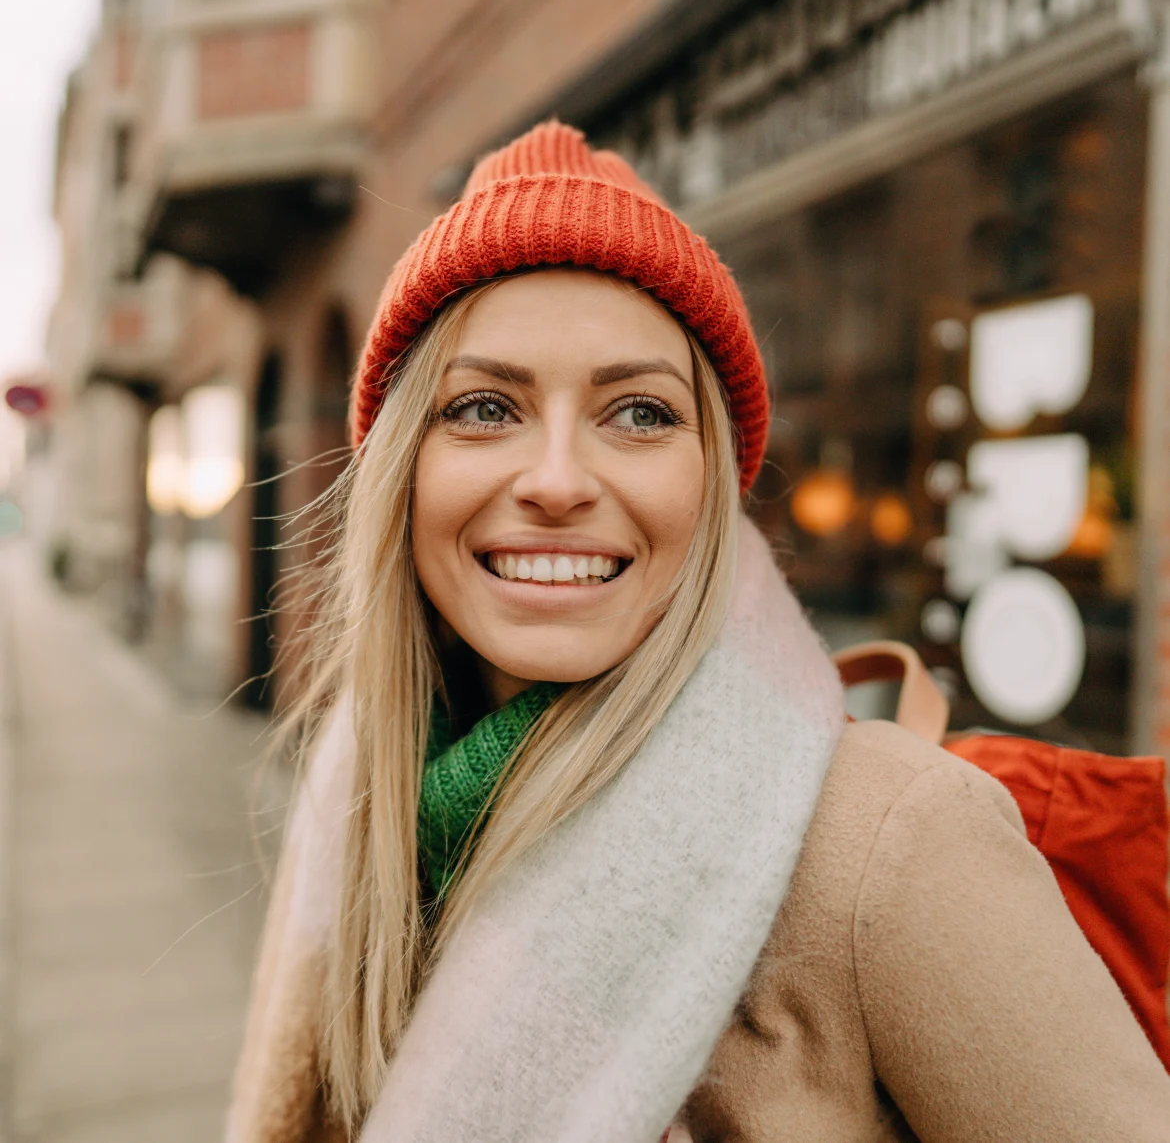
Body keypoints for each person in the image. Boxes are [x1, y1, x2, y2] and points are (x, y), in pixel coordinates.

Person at [225, 122, 1170, 1143]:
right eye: (485, 407)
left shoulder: (891, 845)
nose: (555, 481)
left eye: (638, 414)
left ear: (713, 485)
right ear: (401, 472)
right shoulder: (363, 793)